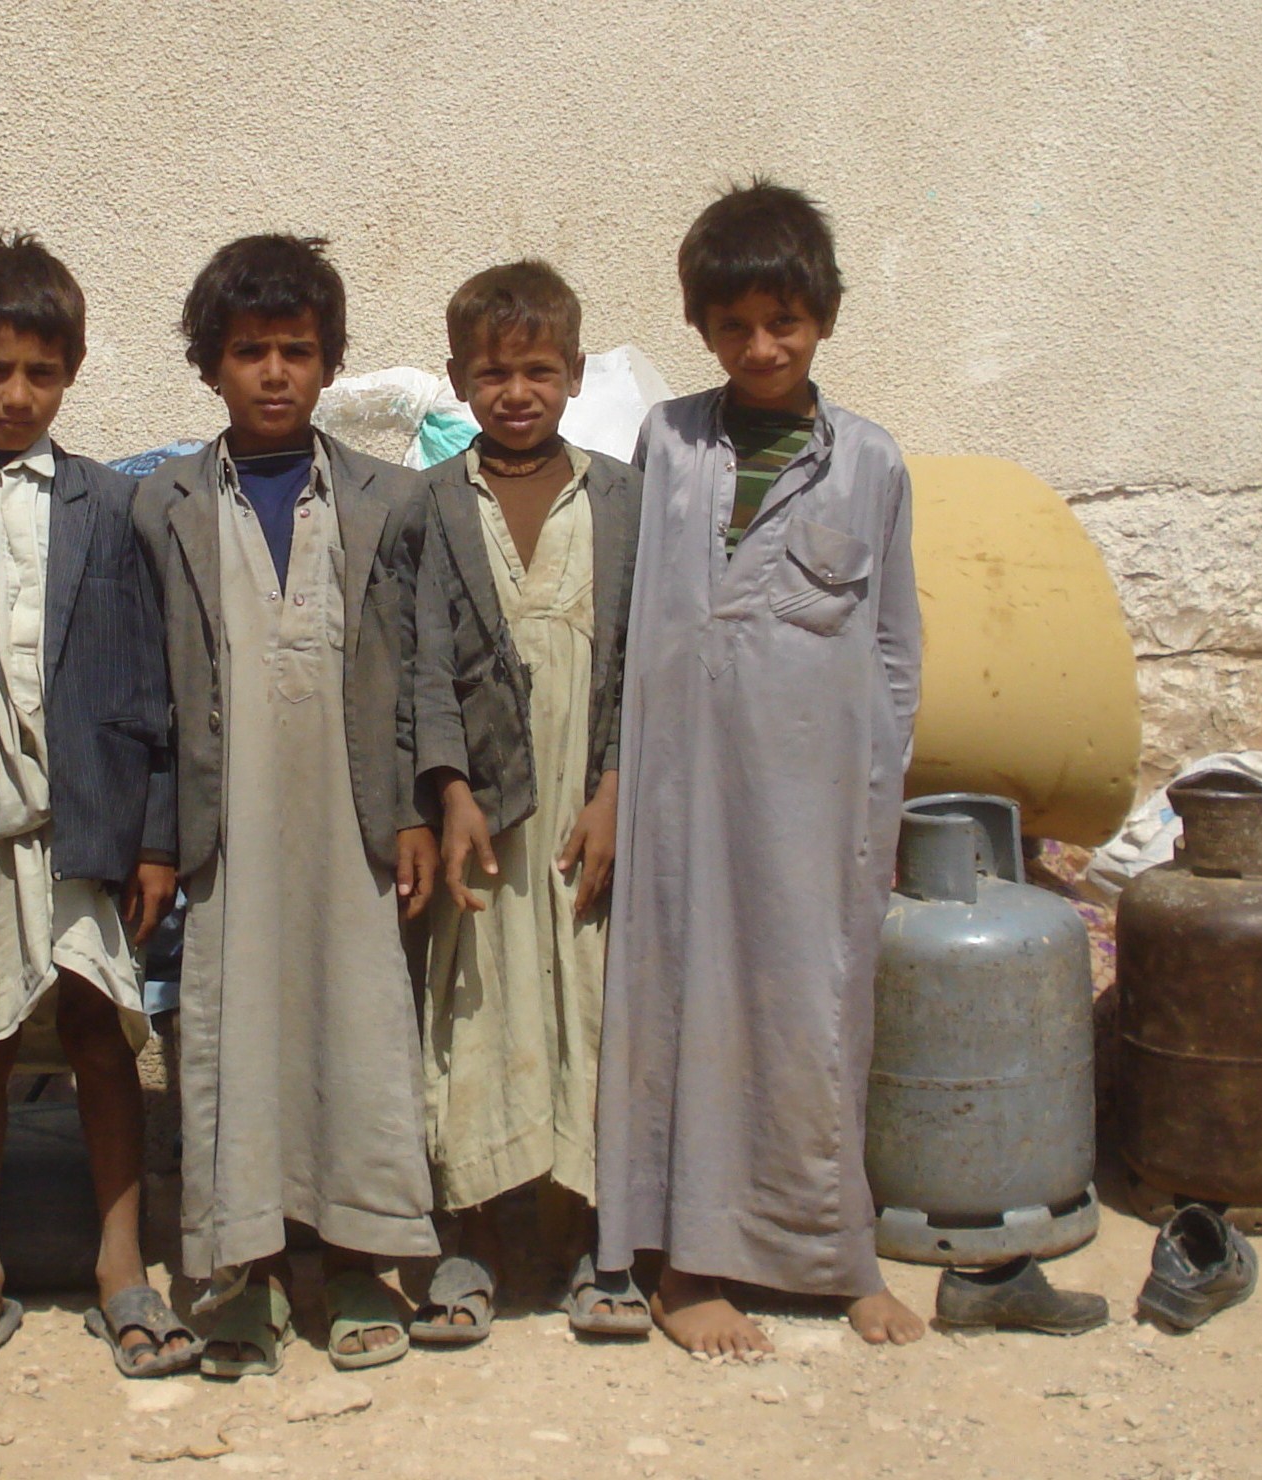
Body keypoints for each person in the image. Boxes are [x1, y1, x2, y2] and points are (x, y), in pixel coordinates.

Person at [593, 180, 927, 1356]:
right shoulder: (670, 444)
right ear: (701, 330)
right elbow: (628, 624)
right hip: (686, 792)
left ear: (824, 317)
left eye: (782, 322)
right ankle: (691, 1265)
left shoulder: (872, 462)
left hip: (814, 804)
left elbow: (893, 655)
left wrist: (872, 811)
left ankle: (840, 1258)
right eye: (734, 326)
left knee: (816, 1015)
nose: (761, 346)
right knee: (688, 1009)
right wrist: (617, 784)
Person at [0, 233, 197, 1385]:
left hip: (88, 831)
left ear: (72, 371)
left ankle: (123, 1269)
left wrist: (154, 833)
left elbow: (153, 681)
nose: (16, 395)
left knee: (105, 1040)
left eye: (40, 374)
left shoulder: (114, 507)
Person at [130, 233, 442, 1379]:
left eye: (296, 351)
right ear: (210, 365)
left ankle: (361, 1255)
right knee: (232, 1028)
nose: (273, 373)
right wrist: (158, 836)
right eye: (249, 351)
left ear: (330, 363)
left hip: (352, 818)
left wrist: (411, 805)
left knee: (359, 1021)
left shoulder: (387, 501)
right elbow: (148, 694)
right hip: (227, 826)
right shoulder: (158, 506)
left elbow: (416, 669)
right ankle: (245, 1271)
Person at [413, 260, 648, 1344]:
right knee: (475, 1006)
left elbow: (641, 660)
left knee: (591, 1007)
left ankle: (601, 1247)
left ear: (575, 373)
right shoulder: (429, 506)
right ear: (460, 381)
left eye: (539, 370)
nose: (517, 391)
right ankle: (469, 1242)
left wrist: (611, 790)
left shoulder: (622, 500)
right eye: (494, 372)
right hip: (486, 813)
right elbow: (418, 664)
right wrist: (450, 788)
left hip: (586, 809)